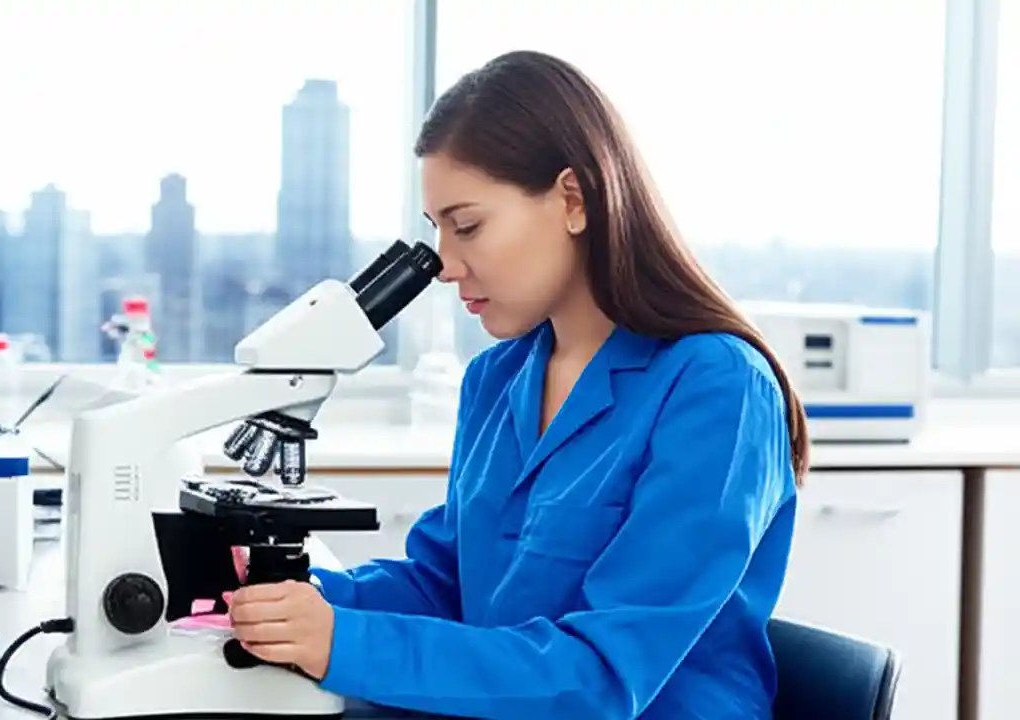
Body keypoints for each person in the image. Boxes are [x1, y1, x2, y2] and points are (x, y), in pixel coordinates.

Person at [227, 49, 807, 720]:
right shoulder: (498, 379)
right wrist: (294, 597)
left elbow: (603, 677)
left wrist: (344, 642)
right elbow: (448, 587)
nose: (445, 265)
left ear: (573, 199)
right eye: (437, 231)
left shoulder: (718, 389)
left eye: (467, 225)